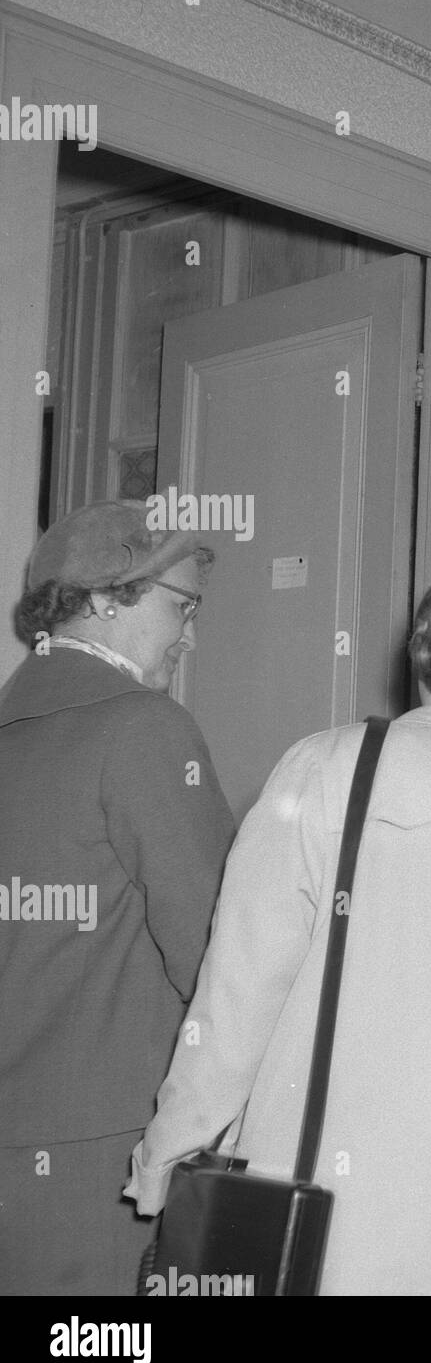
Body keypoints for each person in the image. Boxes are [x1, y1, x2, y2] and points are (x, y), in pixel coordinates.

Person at [125, 543, 431, 1295]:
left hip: (335, 1223)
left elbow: (235, 1001)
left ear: (427, 649)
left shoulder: (333, 770)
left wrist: (166, 1154)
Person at [0, 500, 234, 1295]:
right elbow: (219, 957)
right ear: (105, 598)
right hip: (103, 1162)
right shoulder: (144, 729)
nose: (191, 635)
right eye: (181, 606)